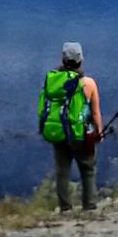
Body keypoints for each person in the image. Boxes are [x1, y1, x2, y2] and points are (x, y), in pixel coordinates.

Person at [38, 41, 104, 212]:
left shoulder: (53, 80)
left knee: (62, 171)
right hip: (80, 133)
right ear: (80, 60)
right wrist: (99, 132)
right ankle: (89, 206)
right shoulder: (88, 83)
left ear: (63, 60)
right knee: (87, 169)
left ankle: (65, 208)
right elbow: (95, 112)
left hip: (59, 131)